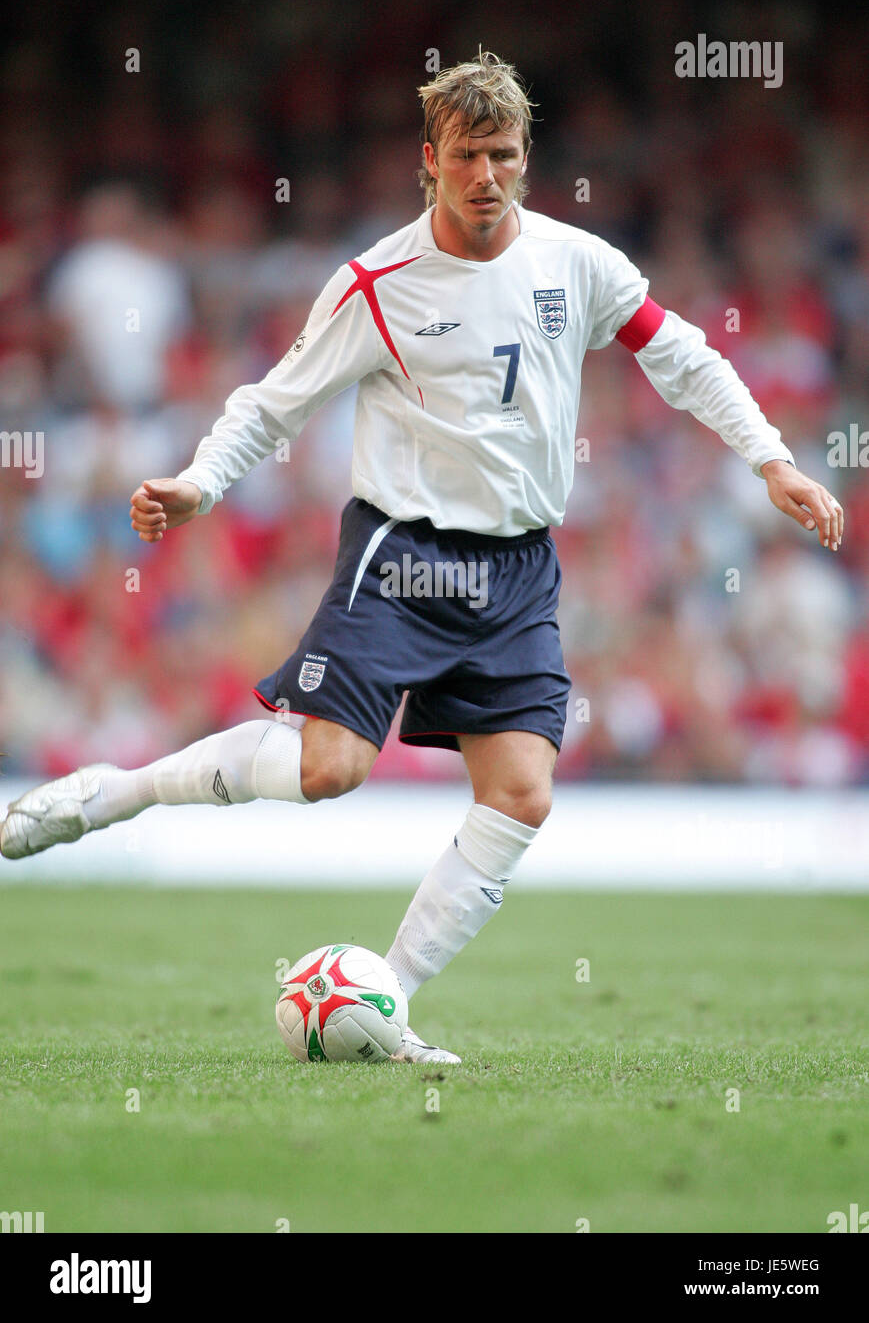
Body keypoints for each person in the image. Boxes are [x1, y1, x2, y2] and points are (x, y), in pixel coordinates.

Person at [1, 52, 844, 1063]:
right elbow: (275, 402)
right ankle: (114, 792)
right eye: (466, 156)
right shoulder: (377, 283)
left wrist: (771, 462)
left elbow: (682, 358)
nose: (486, 175)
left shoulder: (580, 265)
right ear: (427, 163)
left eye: (503, 153)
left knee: (521, 793)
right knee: (329, 771)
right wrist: (198, 484)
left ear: (525, 158)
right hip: (401, 556)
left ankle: (386, 998)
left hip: (518, 569)